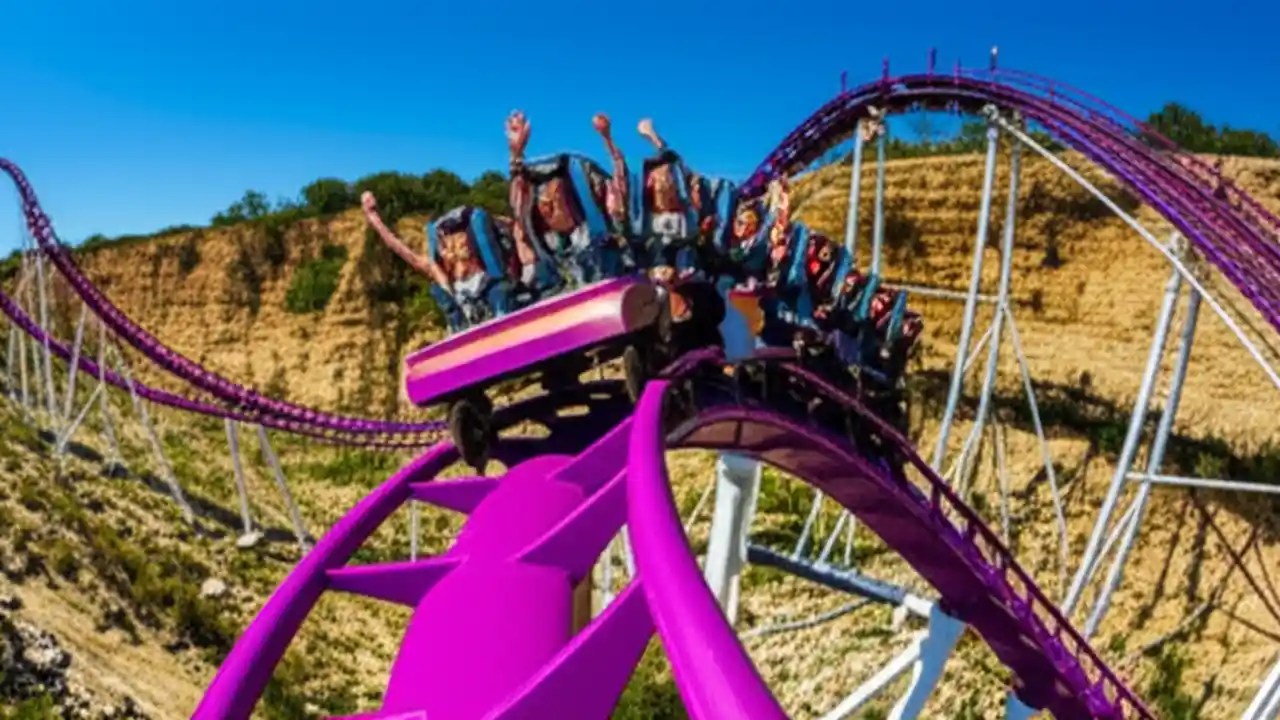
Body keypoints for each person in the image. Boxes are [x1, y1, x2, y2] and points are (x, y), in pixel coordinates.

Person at [361, 192, 507, 332]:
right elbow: (405, 252)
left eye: (460, 238)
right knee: (439, 292)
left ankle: (502, 320)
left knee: (499, 290)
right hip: (468, 335)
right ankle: (460, 332)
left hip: (499, 323)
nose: (455, 246)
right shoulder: (444, 278)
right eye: (449, 242)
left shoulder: (487, 270)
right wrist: (374, 218)